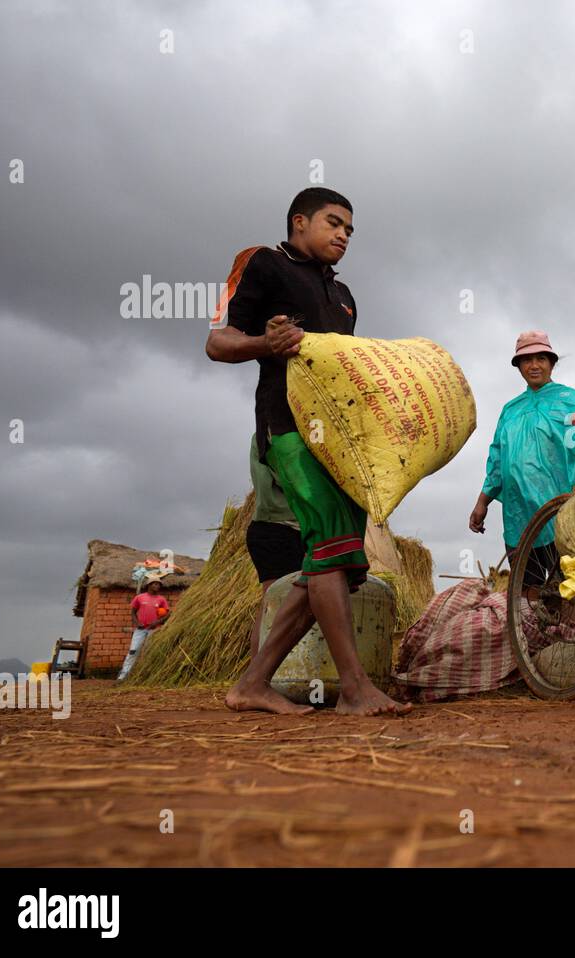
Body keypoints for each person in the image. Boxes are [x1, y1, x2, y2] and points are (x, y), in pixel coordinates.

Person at [205, 187, 407, 716]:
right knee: (330, 551)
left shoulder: (344, 297)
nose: (343, 235)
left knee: (331, 557)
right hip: (287, 429)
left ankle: (251, 685)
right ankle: (355, 689)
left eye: (350, 229)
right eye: (334, 223)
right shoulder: (266, 267)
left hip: (337, 439)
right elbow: (218, 343)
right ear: (300, 221)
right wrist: (265, 344)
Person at [469, 331, 575, 591]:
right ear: (518, 366)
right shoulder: (510, 410)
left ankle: (572, 632)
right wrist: (482, 502)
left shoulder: (572, 400)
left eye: (541, 358)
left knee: (571, 586)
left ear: (552, 363)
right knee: (526, 591)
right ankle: (530, 631)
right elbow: (497, 459)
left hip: (561, 511)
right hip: (518, 516)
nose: (534, 365)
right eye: (526, 360)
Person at [244, 433, 314, 659]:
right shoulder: (274, 435)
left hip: (279, 529)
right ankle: (258, 678)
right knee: (275, 605)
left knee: (274, 604)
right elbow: (291, 477)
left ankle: (261, 676)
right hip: (278, 530)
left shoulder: (266, 434)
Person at [121, 578, 169, 681]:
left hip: (154, 630)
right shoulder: (140, 598)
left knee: (150, 652)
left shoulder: (161, 599)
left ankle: (148, 677)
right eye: (155, 584)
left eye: (159, 585)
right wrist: (137, 623)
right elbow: (133, 612)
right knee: (133, 651)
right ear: (149, 585)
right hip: (140, 630)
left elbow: (167, 614)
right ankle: (123, 676)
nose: (157, 586)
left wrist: (157, 622)